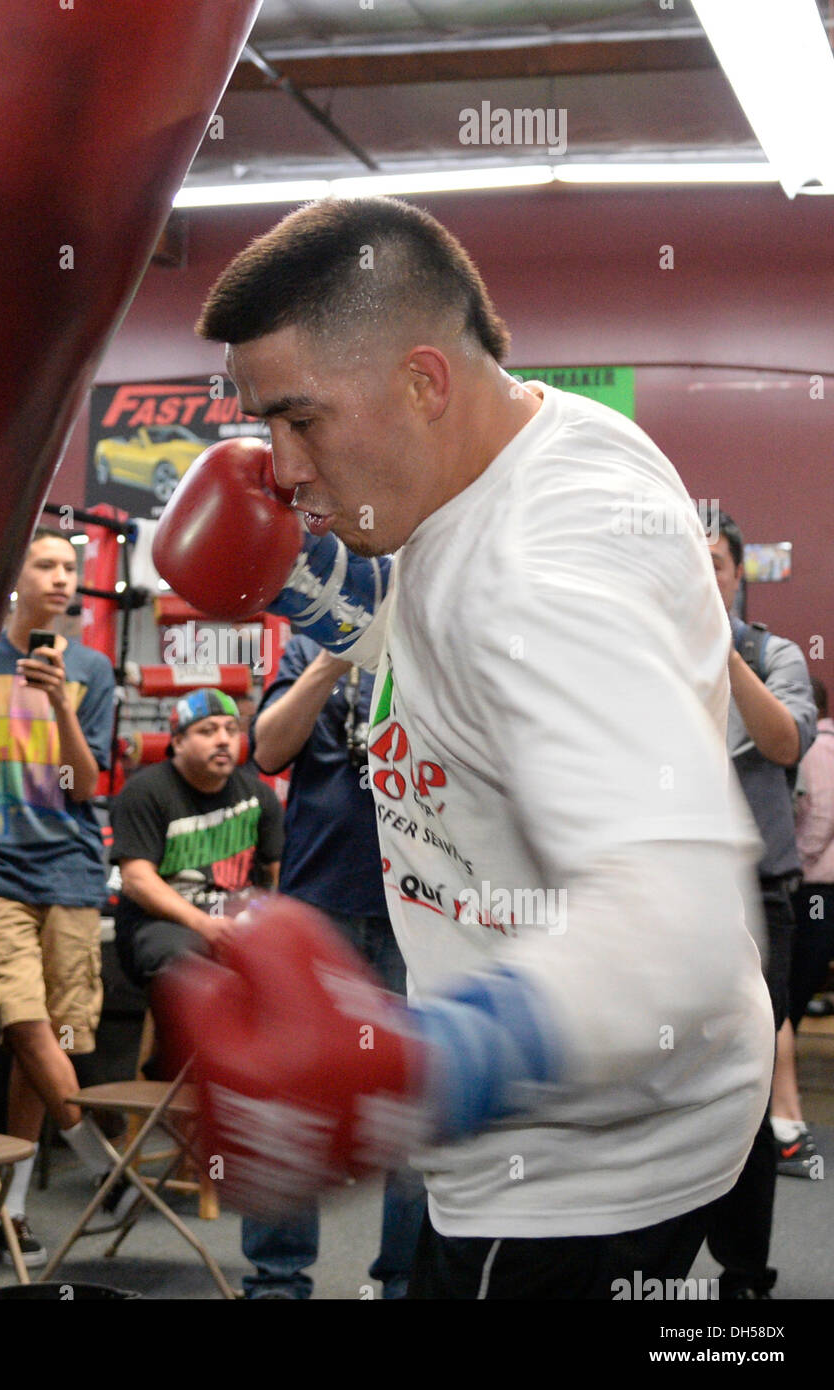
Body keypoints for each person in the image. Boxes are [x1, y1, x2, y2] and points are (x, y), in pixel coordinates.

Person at [151, 195, 775, 1299]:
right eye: (262, 427)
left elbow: (670, 921)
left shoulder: (545, 576)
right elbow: (426, 634)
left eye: (298, 419)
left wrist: (412, 1063)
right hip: (616, 1129)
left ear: (423, 381)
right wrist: (309, 583)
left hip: (570, 1178)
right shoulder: (539, 444)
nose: (278, 469)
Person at [0, 526, 130, 1267]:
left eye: (70, 567)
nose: (62, 578)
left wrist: (58, 703)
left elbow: (85, 786)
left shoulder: (88, 668)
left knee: (52, 1040)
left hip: (69, 871)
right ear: (15, 573)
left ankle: (14, 1211)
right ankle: (98, 1158)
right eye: (47, 564)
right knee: (23, 1022)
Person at [240, 634, 426, 1299]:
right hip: (316, 907)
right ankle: (276, 1283)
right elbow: (267, 750)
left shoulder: (437, 632)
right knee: (290, 1098)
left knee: (412, 1104)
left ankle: (405, 1281)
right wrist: (331, 660)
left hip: (418, 912)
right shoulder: (311, 644)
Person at [702, 511, 816, 1295]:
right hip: (662, 902)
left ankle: (744, 1275)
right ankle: (654, 1269)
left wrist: (718, 648)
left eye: (711, 561)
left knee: (743, 1087)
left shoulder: (773, 654)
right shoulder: (637, 660)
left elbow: (784, 743)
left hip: (757, 902)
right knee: (663, 1084)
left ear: (737, 572)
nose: (700, 573)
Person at [110, 688, 283, 1005]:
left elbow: (275, 875)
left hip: (236, 922)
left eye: (231, 730)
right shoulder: (145, 792)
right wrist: (204, 924)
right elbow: (136, 880)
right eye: (208, 730)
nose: (223, 740)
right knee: (193, 974)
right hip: (162, 924)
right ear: (177, 742)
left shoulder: (259, 796)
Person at [774, 675, 834, 1174]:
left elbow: (818, 819)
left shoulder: (815, 751)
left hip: (814, 890)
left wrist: (791, 861)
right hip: (820, 890)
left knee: (785, 1002)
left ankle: (784, 1123)